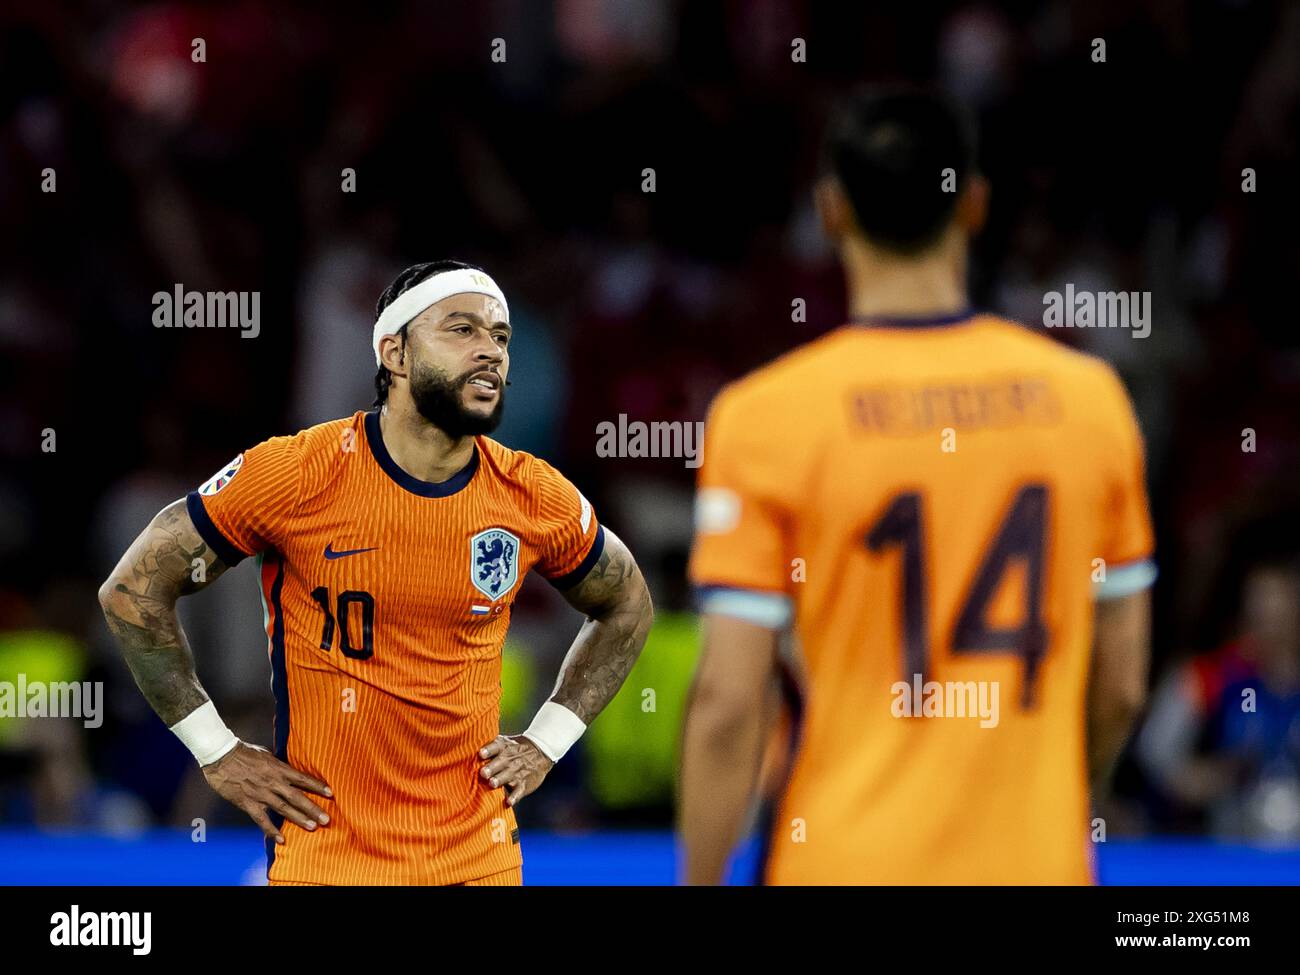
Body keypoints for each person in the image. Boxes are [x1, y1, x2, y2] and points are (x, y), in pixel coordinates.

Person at [680, 87, 1154, 884]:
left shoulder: (765, 416)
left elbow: (730, 702)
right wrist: (1050, 800)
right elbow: (1123, 682)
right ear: (974, 204)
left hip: (840, 861)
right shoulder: (1090, 401)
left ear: (831, 209)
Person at [99, 259, 653, 885]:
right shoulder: (297, 473)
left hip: (480, 863)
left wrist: (546, 741)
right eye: (461, 330)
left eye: (500, 337)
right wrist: (216, 751)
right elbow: (132, 591)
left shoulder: (531, 493)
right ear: (394, 352)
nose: (490, 352)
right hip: (328, 862)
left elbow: (628, 603)